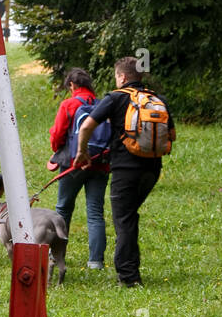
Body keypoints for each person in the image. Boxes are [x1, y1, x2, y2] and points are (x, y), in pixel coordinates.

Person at [73, 57, 175, 286]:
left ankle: (129, 278)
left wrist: (82, 152)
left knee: (124, 220)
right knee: (129, 216)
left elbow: (87, 125)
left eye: (116, 76)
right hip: (152, 169)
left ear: (123, 77)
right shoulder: (158, 99)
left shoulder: (116, 97)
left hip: (125, 171)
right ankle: (130, 270)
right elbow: (172, 135)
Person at [48, 68, 110, 268]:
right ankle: (96, 261)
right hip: (100, 162)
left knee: (63, 208)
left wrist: (58, 152)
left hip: (72, 164)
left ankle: (57, 257)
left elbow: (57, 135)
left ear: (72, 85)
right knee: (95, 212)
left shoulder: (69, 104)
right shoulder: (103, 105)